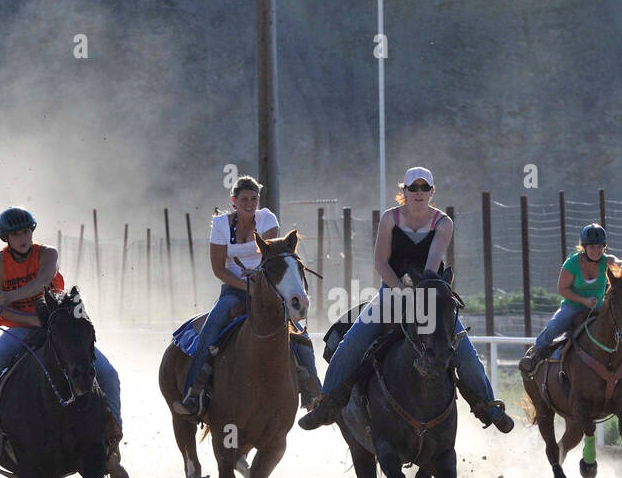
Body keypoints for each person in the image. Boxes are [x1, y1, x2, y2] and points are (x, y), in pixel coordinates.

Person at [299, 166, 514, 433]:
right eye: (414, 187)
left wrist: (418, 291)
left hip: (429, 299)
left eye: (425, 187)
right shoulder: (390, 218)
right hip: (392, 292)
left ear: (432, 191)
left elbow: (432, 263)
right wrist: (400, 288)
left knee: (466, 354)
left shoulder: (443, 222)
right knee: (350, 344)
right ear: (405, 191)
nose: (419, 192)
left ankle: (487, 405)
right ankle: (326, 404)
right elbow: (380, 261)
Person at [0, 206, 131, 478]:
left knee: (108, 373)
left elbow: (42, 282)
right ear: (5, 238)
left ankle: (112, 440)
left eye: (26, 231)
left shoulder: (48, 254)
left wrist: (10, 296)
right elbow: (3, 314)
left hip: (60, 324)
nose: (22, 237)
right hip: (24, 326)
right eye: (15, 234)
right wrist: (35, 320)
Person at [172, 175, 321, 417]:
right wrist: (246, 287)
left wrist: (260, 286)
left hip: (267, 289)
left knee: (298, 332)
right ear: (234, 201)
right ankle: (194, 393)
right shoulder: (221, 225)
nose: (249, 204)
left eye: (253, 199)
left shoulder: (267, 219)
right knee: (211, 330)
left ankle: (313, 391)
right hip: (234, 290)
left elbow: (272, 254)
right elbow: (219, 269)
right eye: (244, 199)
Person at [518, 222, 622, 374]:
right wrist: (584, 301)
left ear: (604, 247)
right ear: (584, 247)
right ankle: (534, 356)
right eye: (591, 247)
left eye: (599, 246)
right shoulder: (572, 263)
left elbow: (617, 261)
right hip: (572, 306)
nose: (595, 250)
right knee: (554, 327)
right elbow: (562, 290)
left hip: (598, 306)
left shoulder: (607, 260)